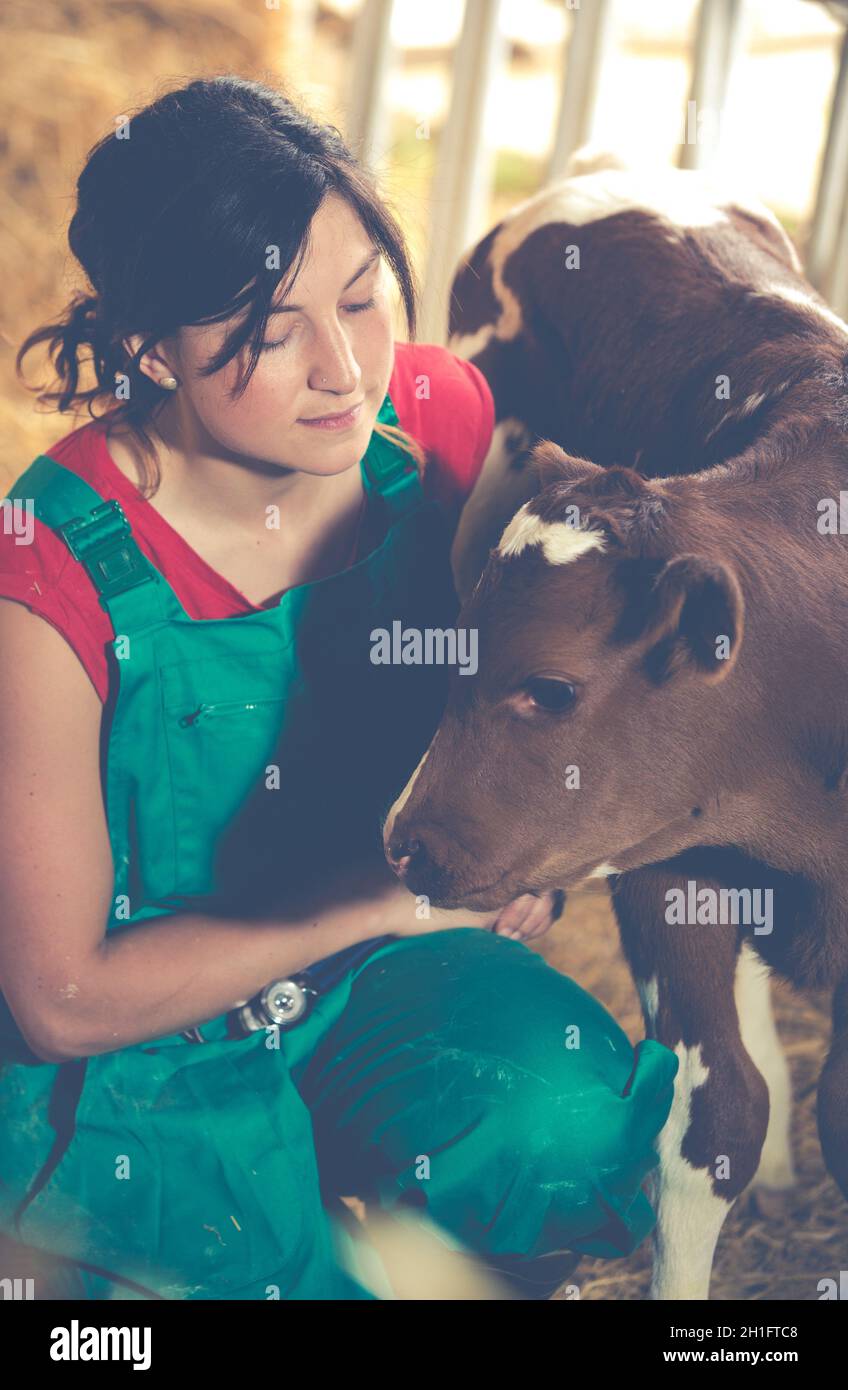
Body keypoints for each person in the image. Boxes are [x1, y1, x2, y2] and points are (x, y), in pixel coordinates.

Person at [0, 75, 679, 1301]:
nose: (341, 367)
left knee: (569, 1117)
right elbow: (59, 999)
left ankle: (379, 1198)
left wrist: (505, 855)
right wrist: (389, 900)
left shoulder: (435, 420)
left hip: (368, 980)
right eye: (266, 335)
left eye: (363, 296)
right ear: (150, 350)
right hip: (137, 1034)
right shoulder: (46, 575)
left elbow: (504, 697)